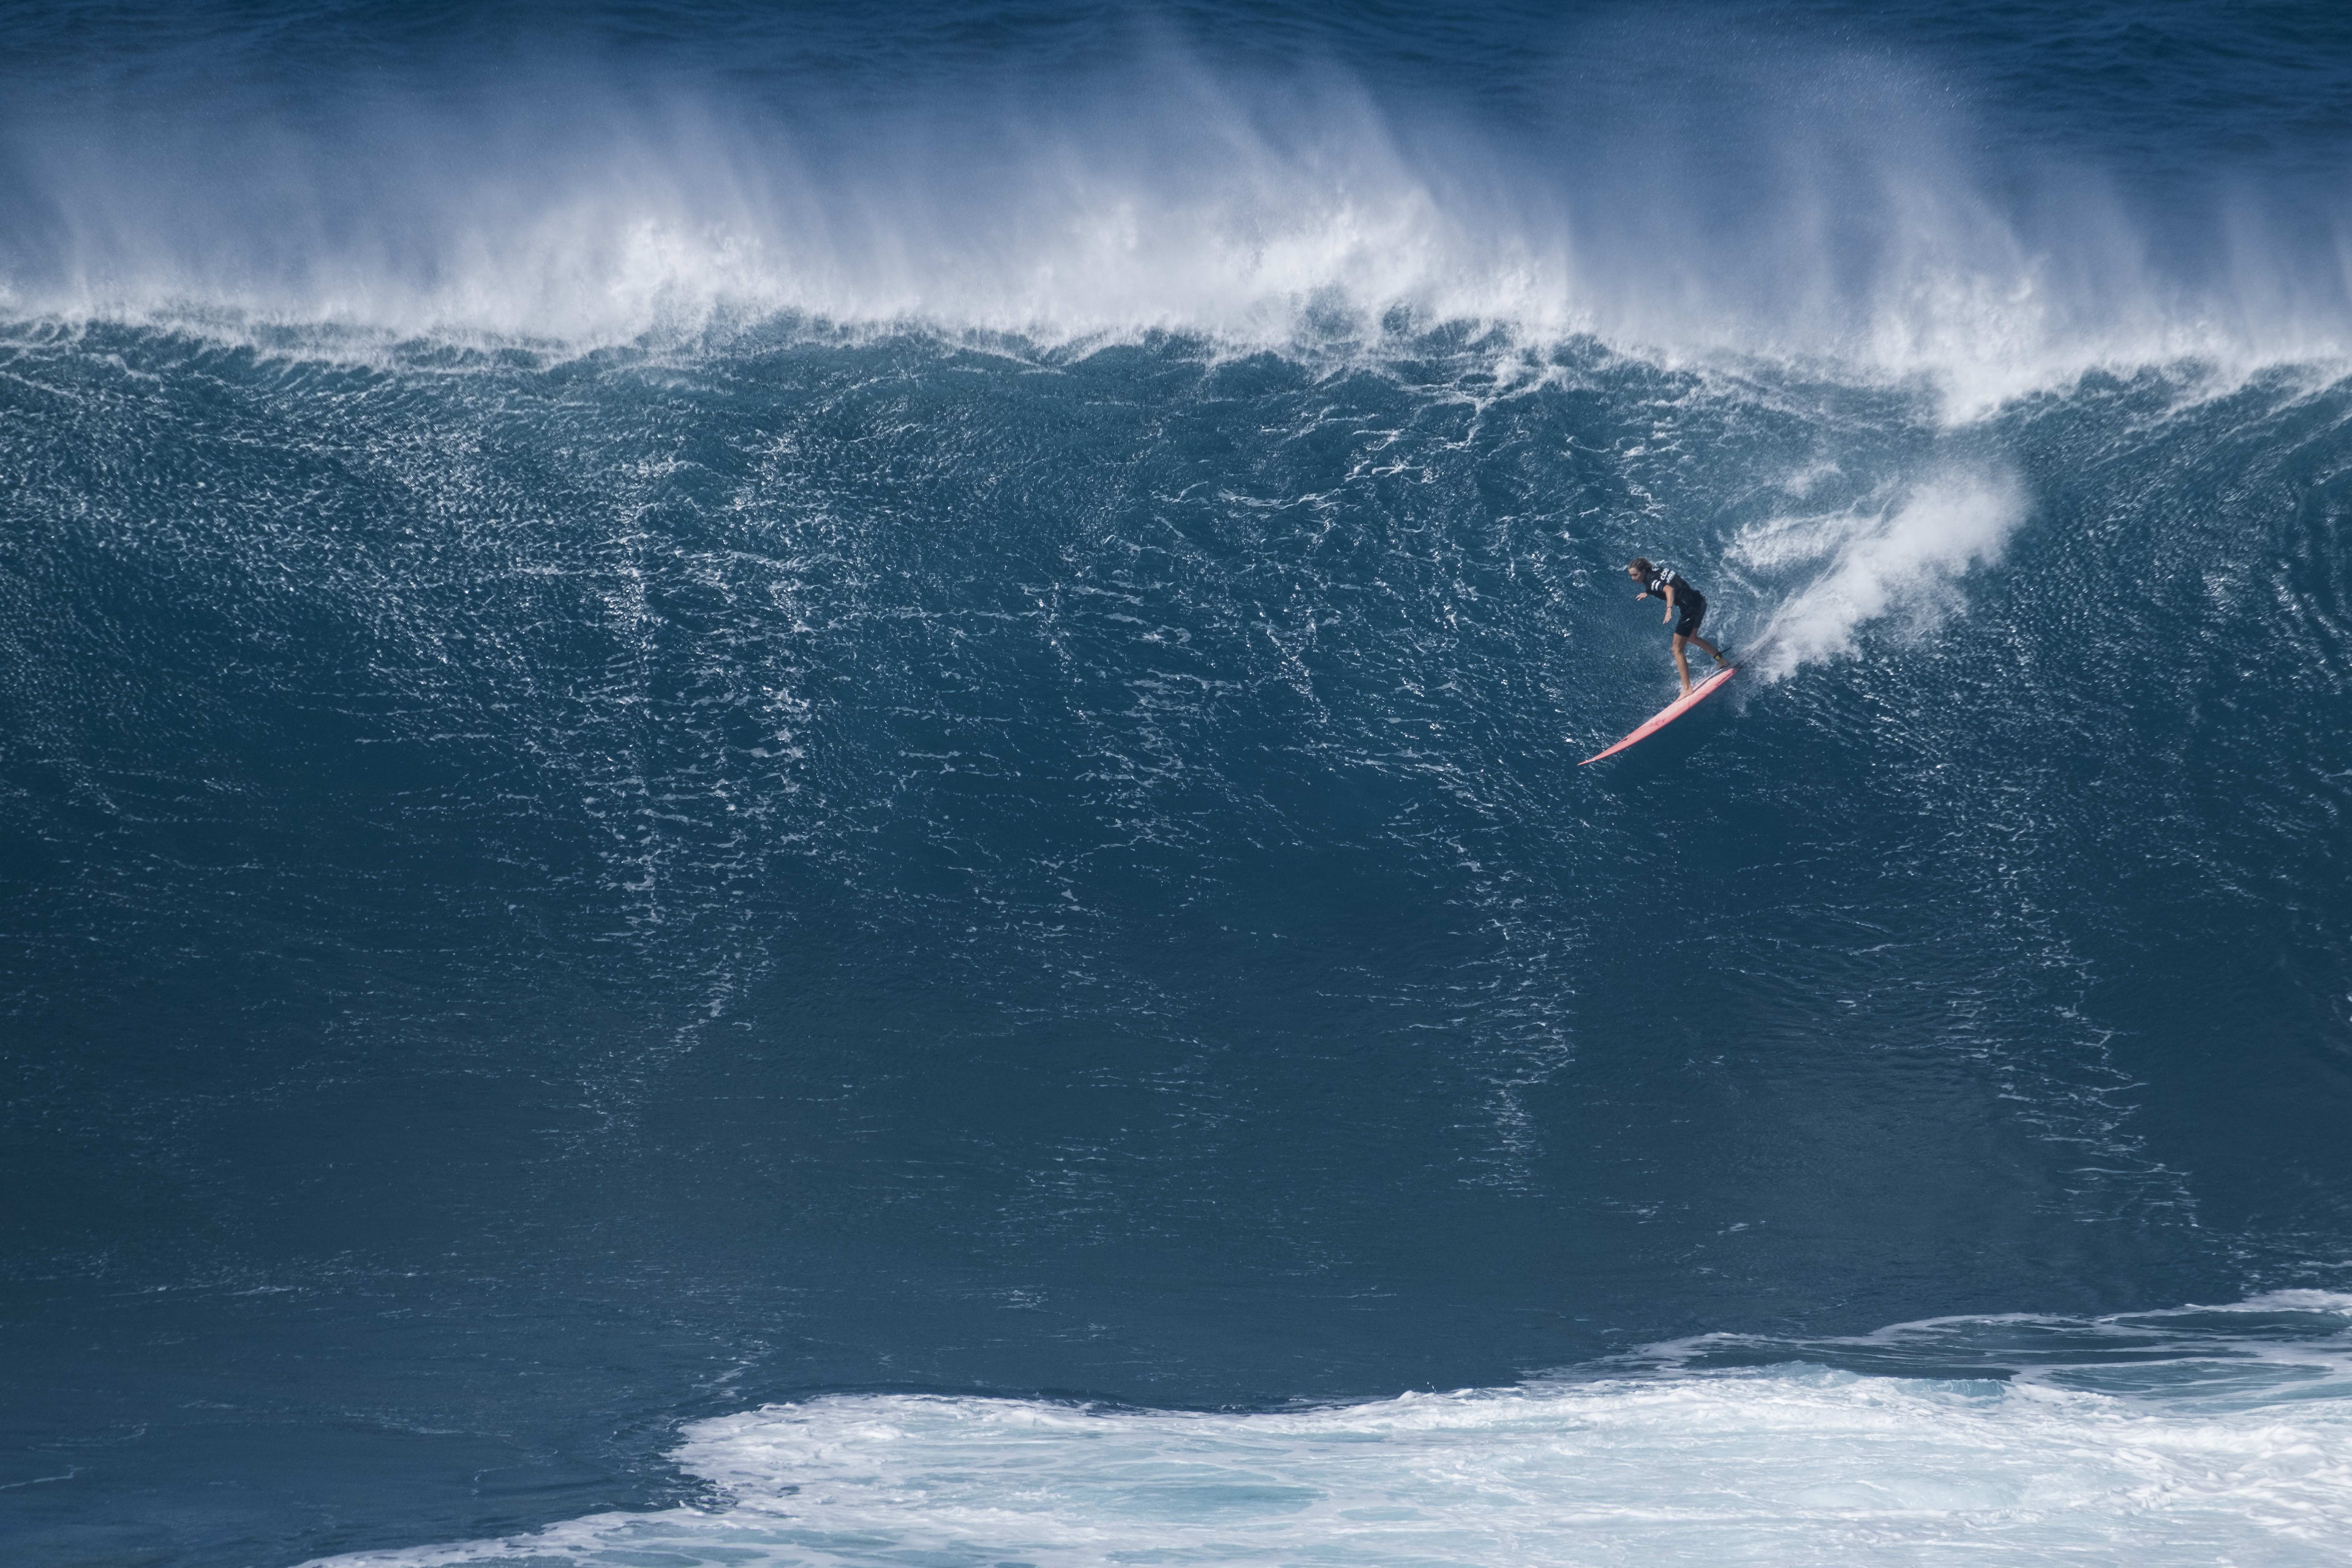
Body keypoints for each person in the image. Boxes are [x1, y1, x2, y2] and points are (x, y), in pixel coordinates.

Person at [1627, 557, 1730, 695]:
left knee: (1677, 649)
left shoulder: (1651, 582)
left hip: (1689, 608)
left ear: (1644, 571)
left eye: (1635, 575)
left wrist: (1669, 609)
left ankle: (1687, 688)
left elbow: (1668, 589)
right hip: (1699, 600)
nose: (1633, 578)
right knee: (1692, 637)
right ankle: (1721, 660)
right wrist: (1648, 592)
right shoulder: (1657, 570)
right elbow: (1665, 582)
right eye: (1631, 575)